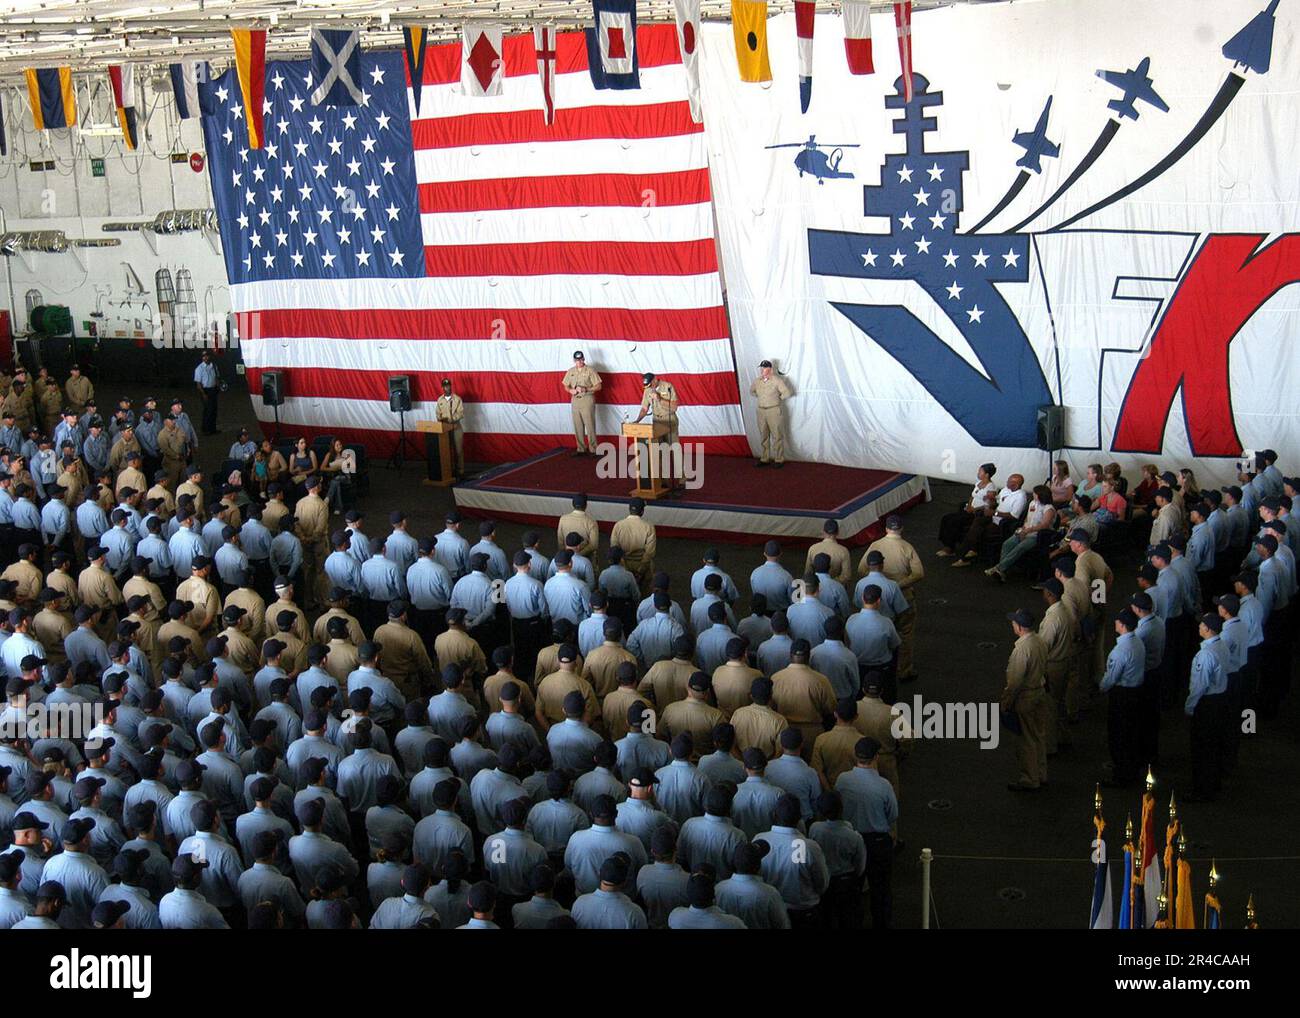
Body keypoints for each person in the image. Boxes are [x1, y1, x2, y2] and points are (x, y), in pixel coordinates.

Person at [1001, 609, 1050, 792]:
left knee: (1026, 740)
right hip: (1040, 692)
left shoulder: (1022, 649)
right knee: (1038, 736)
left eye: (1014, 623)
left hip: (1026, 697)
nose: (1012, 625)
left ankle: (1030, 778)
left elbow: (1014, 682)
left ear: (1020, 627)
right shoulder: (1039, 642)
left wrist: (1005, 702)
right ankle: (1041, 773)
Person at [937, 463, 997, 555]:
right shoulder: (978, 483)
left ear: (987, 474)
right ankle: (947, 544)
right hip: (969, 510)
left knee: (954, 521)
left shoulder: (991, 487)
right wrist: (969, 506)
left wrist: (974, 509)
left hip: (977, 513)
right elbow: (972, 497)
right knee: (946, 518)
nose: (978, 473)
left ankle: (949, 548)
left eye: (980, 471)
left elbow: (989, 505)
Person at [749, 359, 793, 468]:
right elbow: (752, 391)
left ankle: (779, 459)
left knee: (776, 435)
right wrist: (761, 398)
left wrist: (777, 399)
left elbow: (787, 392)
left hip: (773, 410)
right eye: (762, 368)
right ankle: (765, 458)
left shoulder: (777, 380)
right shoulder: (757, 381)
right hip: (761, 411)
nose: (763, 370)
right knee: (763, 435)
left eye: (765, 368)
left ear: (770, 369)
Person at [562, 351, 602, 456]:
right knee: (577, 425)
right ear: (574, 360)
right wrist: (570, 390)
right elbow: (565, 385)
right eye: (577, 360)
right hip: (575, 400)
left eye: (580, 359)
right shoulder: (571, 371)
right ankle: (581, 448)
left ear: (584, 359)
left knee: (589, 424)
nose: (579, 362)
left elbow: (598, 386)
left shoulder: (590, 370)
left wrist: (586, 389)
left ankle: (593, 449)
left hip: (587, 399)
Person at [435, 378, 465, 478]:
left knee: (458, 450)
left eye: (448, 386)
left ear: (451, 386)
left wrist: (453, 419)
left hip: (456, 426)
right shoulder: (440, 400)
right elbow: (438, 413)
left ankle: (460, 470)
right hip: (444, 428)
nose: (447, 388)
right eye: (445, 386)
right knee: (446, 450)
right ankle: (449, 470)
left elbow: (461, 413)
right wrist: (441, 419)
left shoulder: (457, 399)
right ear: (442, 387)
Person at [193, 351, 220, 435]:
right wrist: (203, 394)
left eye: (207, 356)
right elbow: (198, 384)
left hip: (213, 390)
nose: (205, 357)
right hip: (205, 391)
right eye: (204, 356)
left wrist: (217, 386)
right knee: (207, 410)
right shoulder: (199, 368)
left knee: (214, 410)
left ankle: (212, 429)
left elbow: (216, 377)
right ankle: (205, 429)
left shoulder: (214, 366)